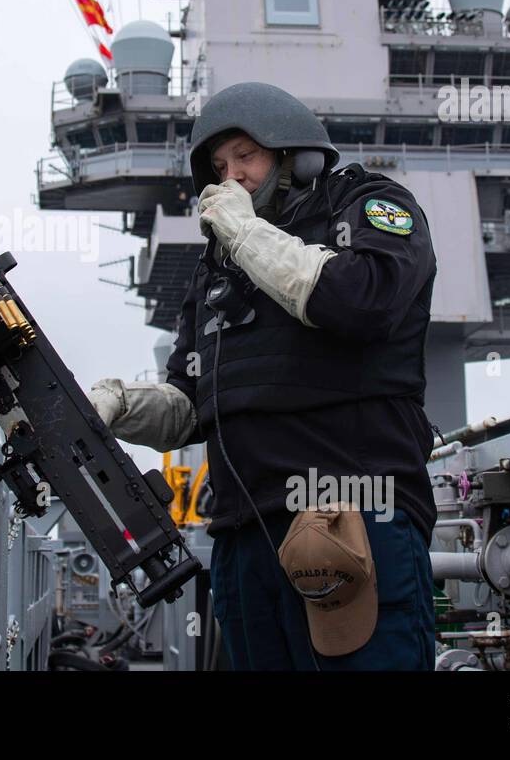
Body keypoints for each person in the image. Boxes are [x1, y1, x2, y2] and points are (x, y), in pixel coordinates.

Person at [87, 81, 438, 670]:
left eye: (246, 156)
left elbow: (362, 301)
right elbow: (190, 401)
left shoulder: (369, 203)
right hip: (242, 534)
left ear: (293, 154)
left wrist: (248, 236)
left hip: (348, 517)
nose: (234, 177)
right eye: (220, 166)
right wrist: (117, 405)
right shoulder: (218, 268)